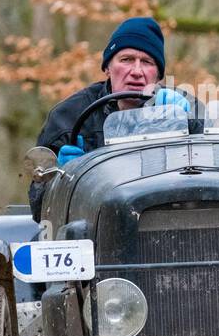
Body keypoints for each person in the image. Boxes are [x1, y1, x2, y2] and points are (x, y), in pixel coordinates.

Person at [27, 16, 185, 220]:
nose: (136, 71)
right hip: (94, 230)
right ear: (107, 68)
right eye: (126, 59)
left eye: (147, 62)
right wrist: (61, 180)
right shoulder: (69, 116)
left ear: (158, 75)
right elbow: (39, 209)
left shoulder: (180, 109)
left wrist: (188, 123)